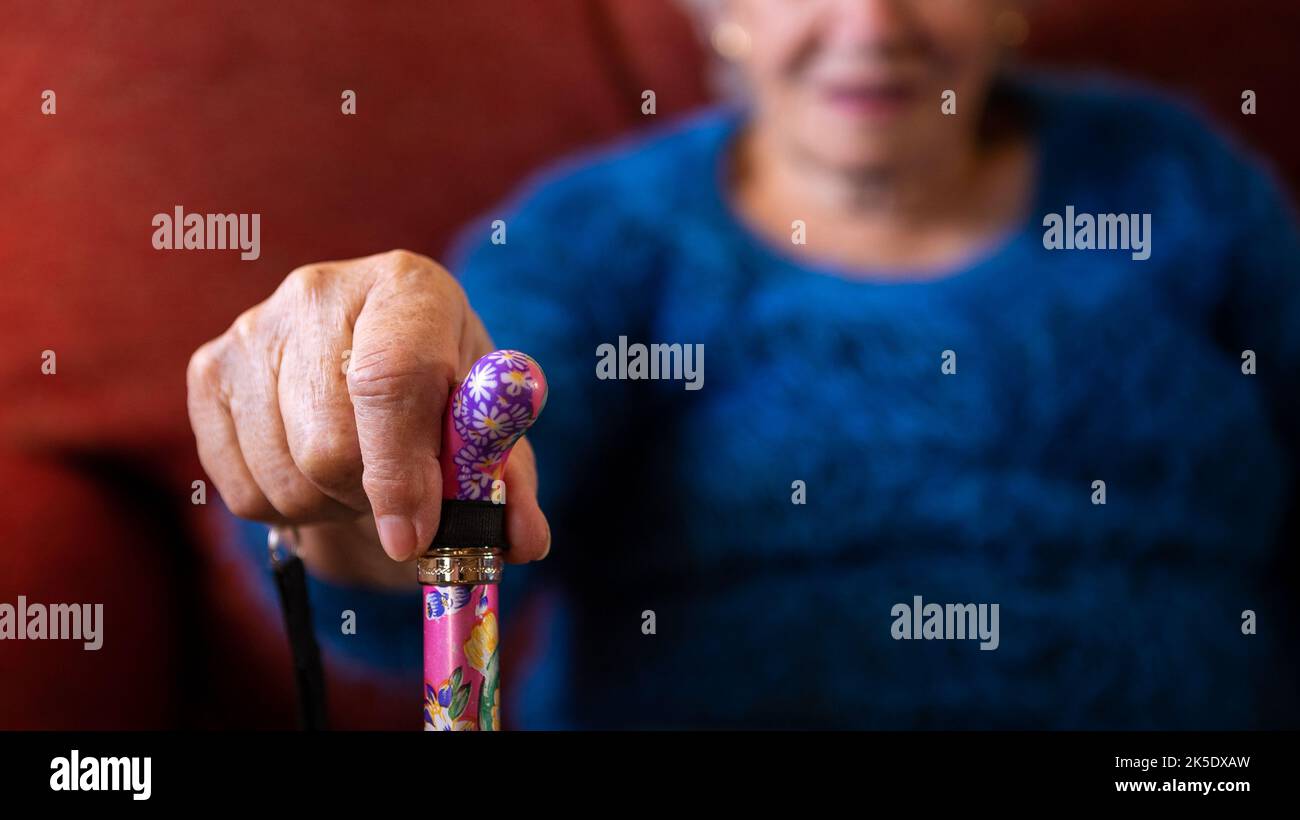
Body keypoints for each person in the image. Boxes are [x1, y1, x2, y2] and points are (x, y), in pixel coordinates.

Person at [189, 0, 1300, 728]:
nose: (869, 23)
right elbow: (418, 569)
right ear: (717, 13)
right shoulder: (603, 237)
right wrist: (352, 445)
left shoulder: (1176, 177)